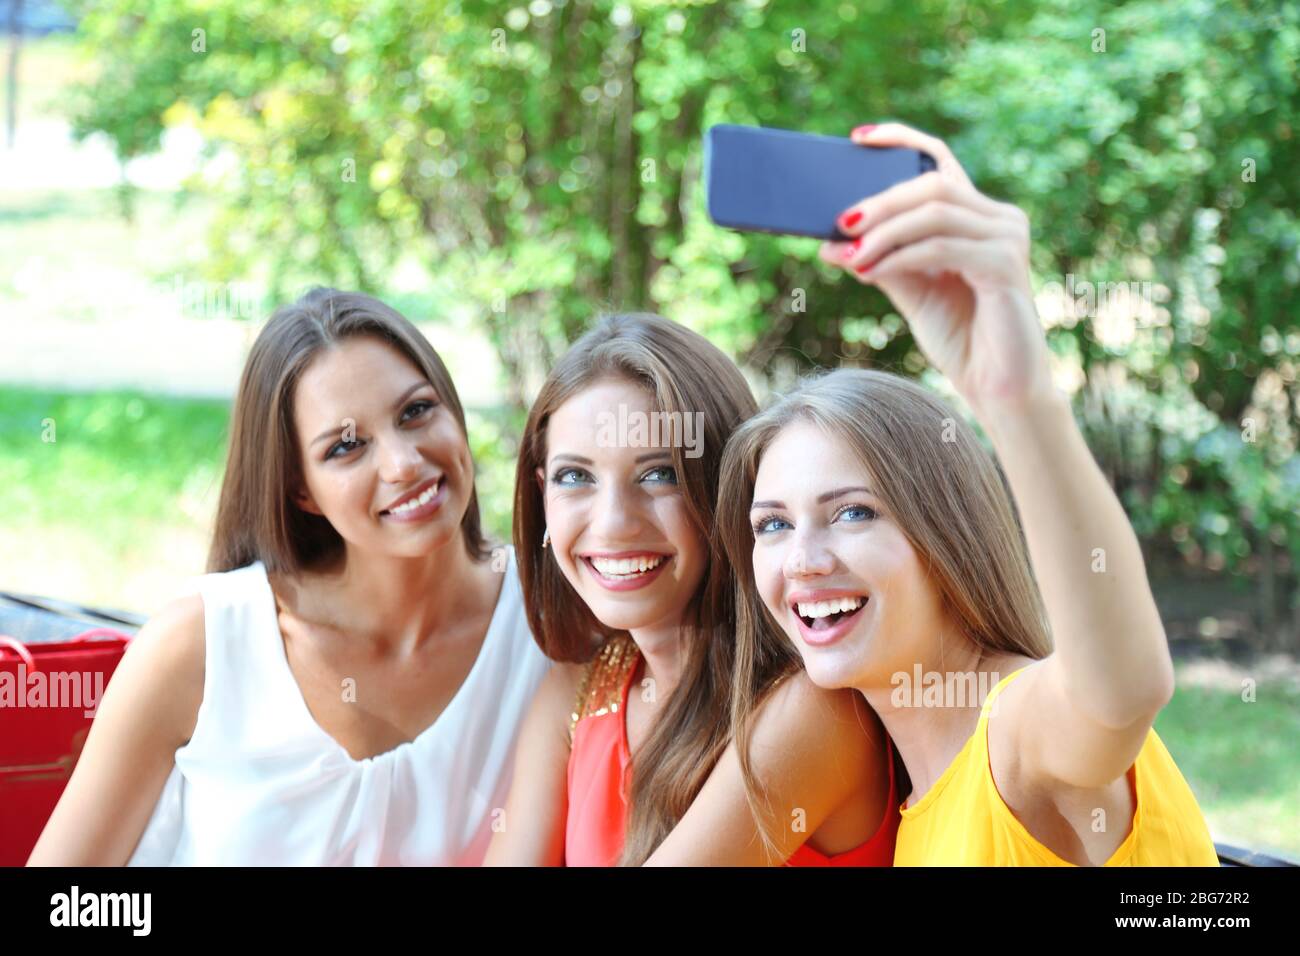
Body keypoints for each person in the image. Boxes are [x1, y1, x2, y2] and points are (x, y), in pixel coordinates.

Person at [717, 123, 1218, 866]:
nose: (803, 560)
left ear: (944, 532)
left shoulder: (1015, 737)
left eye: (852, 512)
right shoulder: (916, 802)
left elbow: (1122, 692)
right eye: (772, 525)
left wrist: (1016, 396)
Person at [28, 289, 550, 865]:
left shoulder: (553, 630)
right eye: (347, 447)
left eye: (416, 411)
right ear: (300, 488)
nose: (403, 463)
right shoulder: (202, 643)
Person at [485, 313, 897, 866]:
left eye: (659, 474)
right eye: (575, 477)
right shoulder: (579, 691)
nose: (612, 523)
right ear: (542, 493)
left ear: (728, 489)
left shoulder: (812, 707)